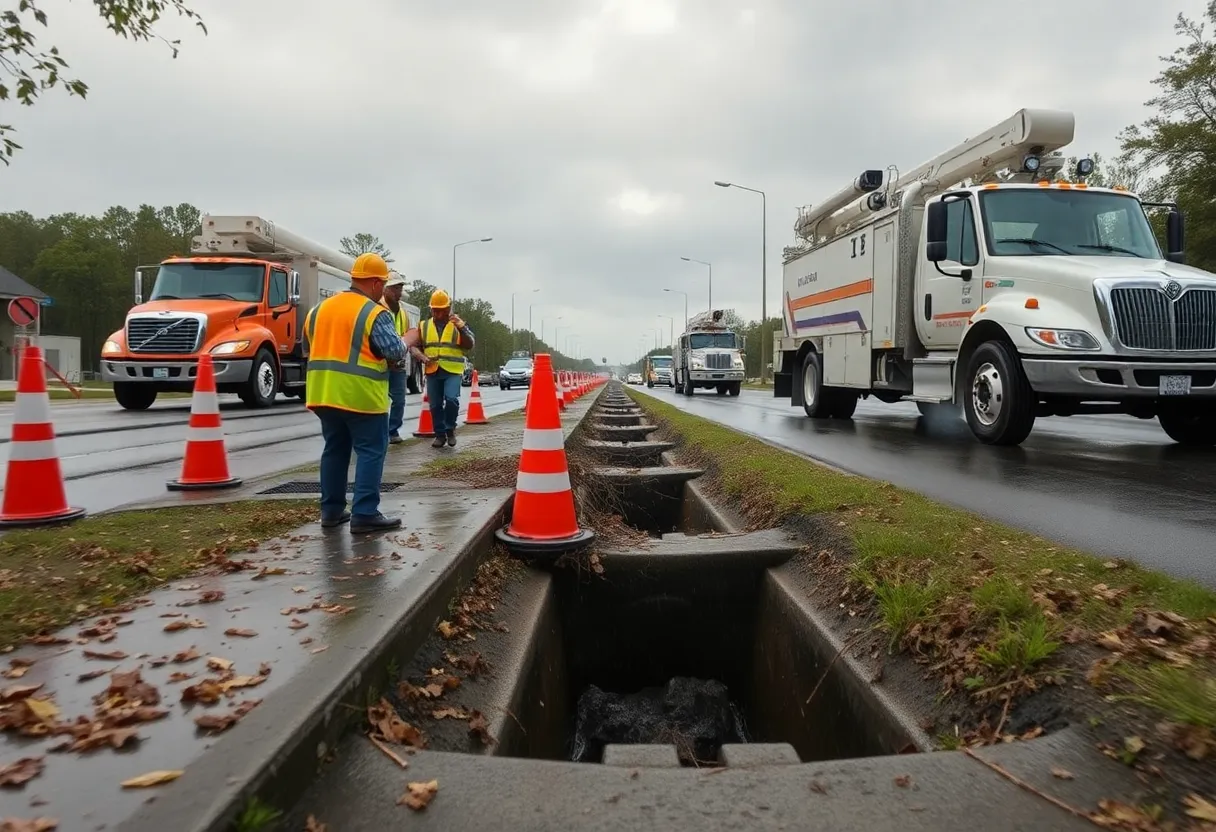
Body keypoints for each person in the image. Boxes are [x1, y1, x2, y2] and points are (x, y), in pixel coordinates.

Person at [304, 252, 420, 534]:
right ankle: (365, 513)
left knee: (335, 450)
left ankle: (331, 512)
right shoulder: (373, 312)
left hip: (323, 393)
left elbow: (309, 344)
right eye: (383, 284)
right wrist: (410, 338)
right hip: (360, 396)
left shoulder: (319, 309)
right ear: (376, 283)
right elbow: (393, 351)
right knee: (370, 451)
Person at [419, 289, 475, 448]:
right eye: (434, 310)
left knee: (451, 400)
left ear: (447, 309)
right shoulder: (424, 326)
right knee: (435, 404)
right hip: (432, 370)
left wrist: (462, 327)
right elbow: (415, 346)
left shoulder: (457, 324)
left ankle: (450, 429)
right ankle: (440, 435)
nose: (437, 314)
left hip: (452, 370)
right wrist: (421, 356)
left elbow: (470, 344)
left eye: (440, 310)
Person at [380, 272, 411, 444]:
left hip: (398, 364)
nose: (398, 292)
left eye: (400, 288)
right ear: (385, 289)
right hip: (381, 364)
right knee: (380, 400)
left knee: (399, 399)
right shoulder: (378, 307)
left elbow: (405, 335)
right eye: (395, 288)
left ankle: (393, 431)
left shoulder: (403, 314)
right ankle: (381, 431)